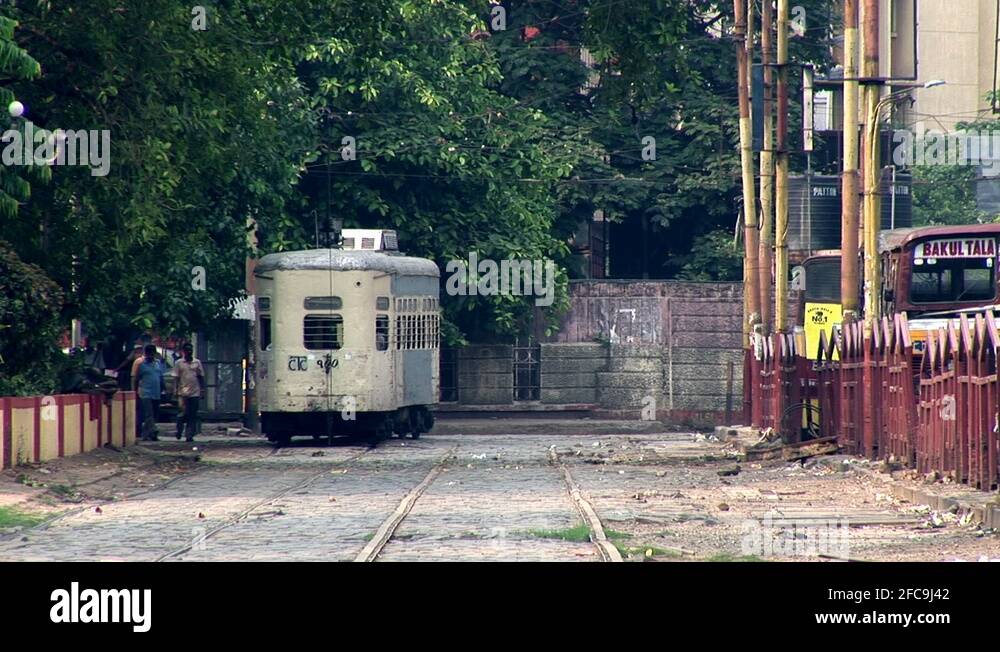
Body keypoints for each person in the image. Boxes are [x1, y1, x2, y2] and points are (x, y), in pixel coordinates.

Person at [173, 342, 205, 442]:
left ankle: (189, 435)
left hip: (194, 392)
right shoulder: (179, 363)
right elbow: (176, 378)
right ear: (184, 351)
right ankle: (179, 430)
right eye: (187, 350)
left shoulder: (197, 362)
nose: (189, 352)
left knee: (192, 415)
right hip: (182, 393)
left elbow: (201, 377)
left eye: (191, 350)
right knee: (182, 414)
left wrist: (202, 390)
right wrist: (175, 390)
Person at [133, 345, 164, 441]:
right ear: (145, 353)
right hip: (145, 392)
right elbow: (135, 379)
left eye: (152, 353)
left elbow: (160, 377)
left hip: (156, 392)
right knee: (149, 414)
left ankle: (146, 434)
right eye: (149, 353)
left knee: (153, 415)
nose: (151, 355)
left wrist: (164, 389)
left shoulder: (157, 363)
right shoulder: (140, 364)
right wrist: (135, 392)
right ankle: (153, 432)